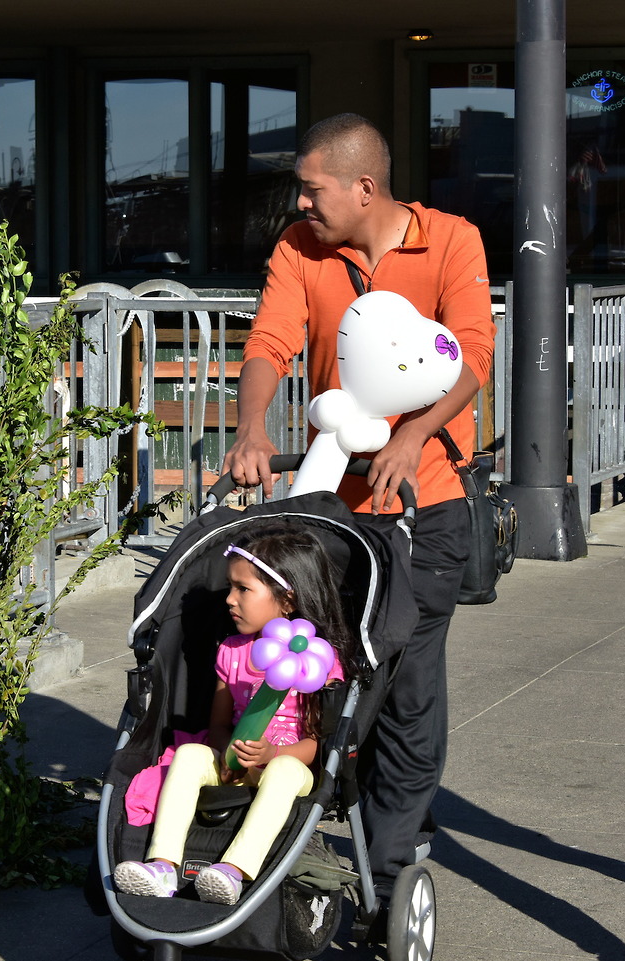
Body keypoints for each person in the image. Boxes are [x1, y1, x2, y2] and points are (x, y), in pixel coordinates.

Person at [219, 113, 495, 919]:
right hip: (330, 507)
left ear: (364, 188)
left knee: (406, 682)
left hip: (426, 503)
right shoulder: (301, 250)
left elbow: (471, 353)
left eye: (313, 188)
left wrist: (414, 435)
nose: (300, 201)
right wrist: (249, 428)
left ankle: (390, 852)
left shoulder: (451, 242)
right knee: (325, 676)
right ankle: (325, 808)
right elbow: (271, 342)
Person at [113, 525, 353, 905]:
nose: (229, 599)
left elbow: (315, 744)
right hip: (233, 766)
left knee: (285, 772)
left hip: (285, 767)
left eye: (243, 589)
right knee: (192, 755)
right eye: (230, 586)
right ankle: (162, 865)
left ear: (287, 600)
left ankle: (233, 870)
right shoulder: (232, 652)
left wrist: (272, 756)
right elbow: (220, 722)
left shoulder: (313, 660)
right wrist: (225, 754)